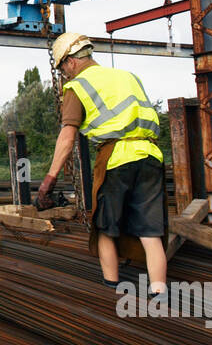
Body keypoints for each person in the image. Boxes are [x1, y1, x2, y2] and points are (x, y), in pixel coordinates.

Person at [36, 32, 168, 294]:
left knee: (105, 227)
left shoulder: (78, 86)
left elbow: (67, 136)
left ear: (71, 62)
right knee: (151, 232)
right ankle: (159, 293)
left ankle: (111, 288)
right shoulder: (128, 76)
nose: (64, 74)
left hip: (116, 158)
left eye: (62, 68)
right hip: (151, 154)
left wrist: (48, 181)